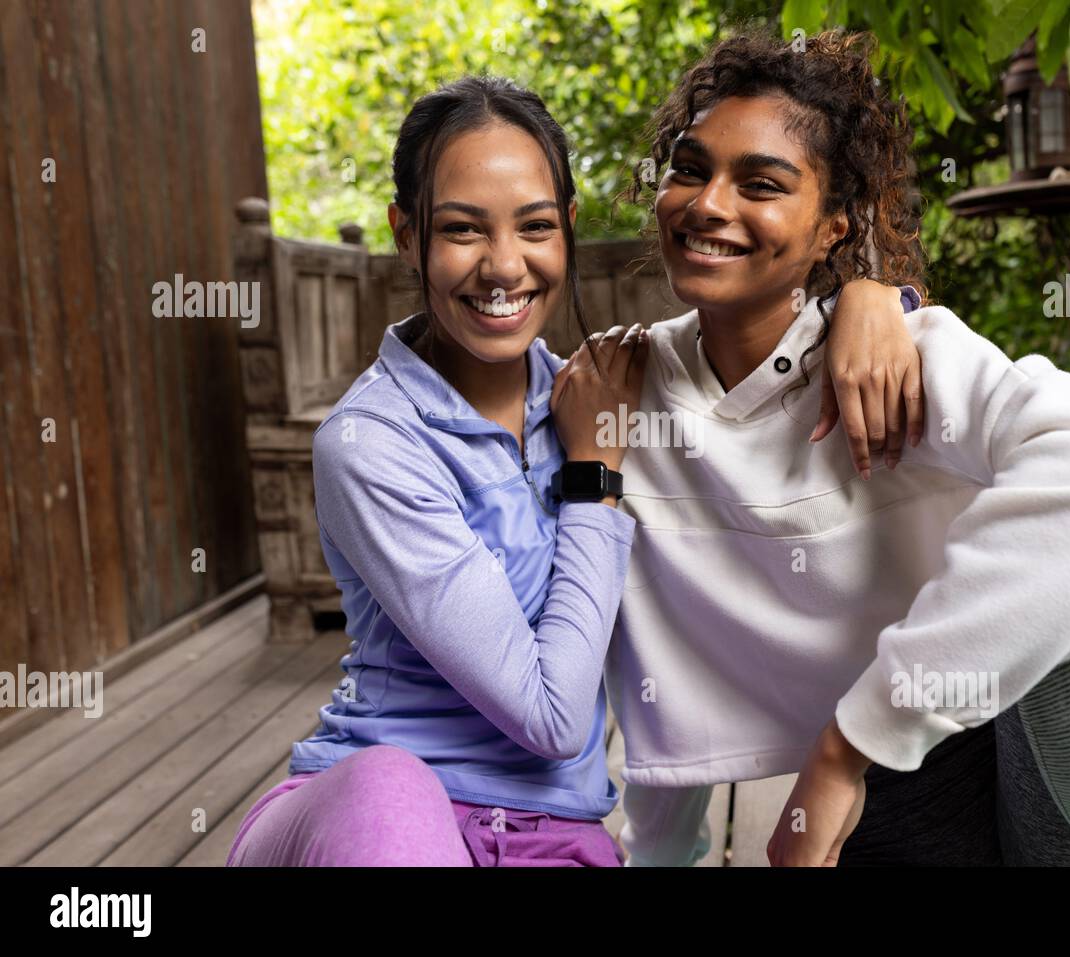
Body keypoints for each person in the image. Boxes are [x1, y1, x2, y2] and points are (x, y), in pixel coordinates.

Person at [226, 73, 923, 867]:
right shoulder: (372, 443)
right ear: (406, 235)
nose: (502, 266)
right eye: (461, 230)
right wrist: (592, 476)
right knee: (393, 788)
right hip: (365, 825)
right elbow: (553, 717)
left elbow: (758, 369)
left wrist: (873, 300)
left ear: (567, 229)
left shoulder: (596, 392)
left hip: (549, 836)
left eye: (533, 227)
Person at [606, 28, 1070, 868]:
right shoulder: (618, 385)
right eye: (690, 168)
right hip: (905, 796)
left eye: (761, 183)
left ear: (832, 229)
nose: (709, 203)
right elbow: (652, 633)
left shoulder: (901, 354)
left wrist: (846, 746)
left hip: (1028, 761)